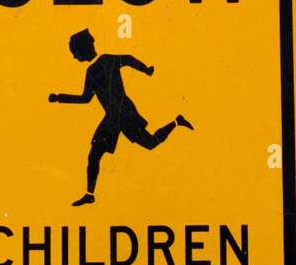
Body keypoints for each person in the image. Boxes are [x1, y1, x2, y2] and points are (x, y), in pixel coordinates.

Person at [49, 27, 193, 206]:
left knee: (150, 143)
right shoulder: (91, 71)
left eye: (75, 52)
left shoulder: (108, 60)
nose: (74, 57)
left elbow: (128, 59)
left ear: (83, 49)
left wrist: (145, 69)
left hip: (125, 112)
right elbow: (85, 99)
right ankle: (89, 194)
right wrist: (59, 98)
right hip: (111, 118)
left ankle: (176, 122)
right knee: (94, 154)